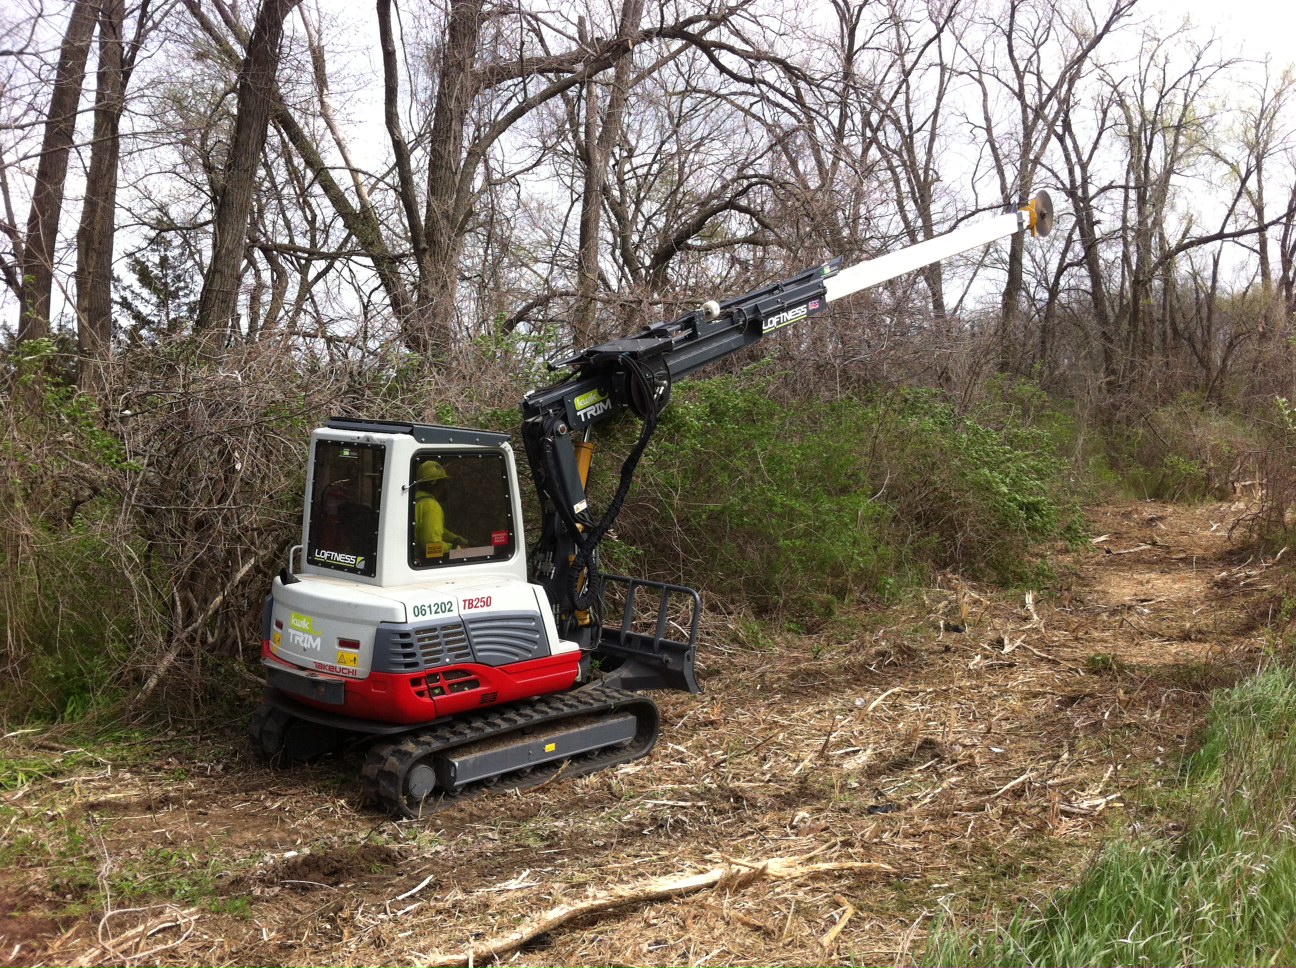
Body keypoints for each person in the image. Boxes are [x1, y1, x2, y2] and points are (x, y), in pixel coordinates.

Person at [413, 460, 467, 559]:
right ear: (433, 483)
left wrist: (458, 539)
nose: (446, 487)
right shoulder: (431, 505)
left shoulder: (415, 500)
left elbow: (435, 530)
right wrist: (456, 549)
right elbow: (430, 546)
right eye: (443, 482)